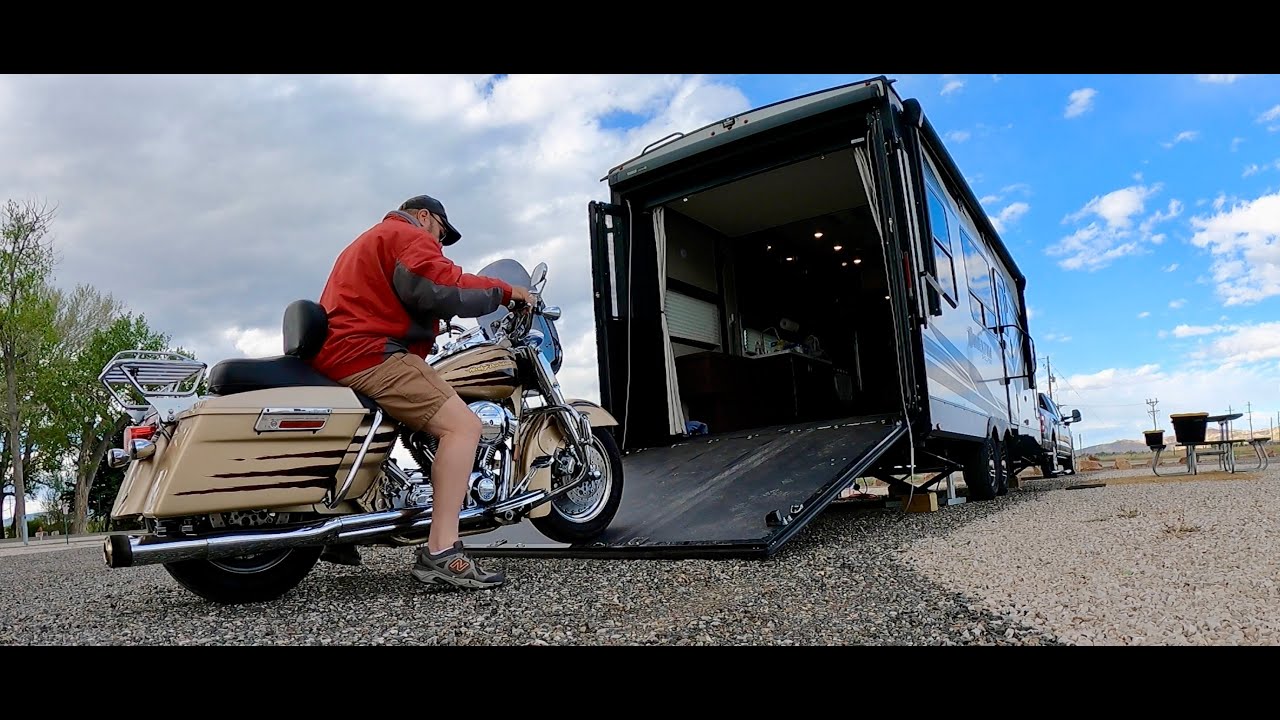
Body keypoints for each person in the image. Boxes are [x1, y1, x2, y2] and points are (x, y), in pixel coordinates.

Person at [307, 194, 532, 589]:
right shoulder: (405, 234)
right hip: (369, 353)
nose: (440, 244)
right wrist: (506, 292)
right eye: (441, 234)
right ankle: (442, 551)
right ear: (424, 217)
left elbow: (399, 297)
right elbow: (442, 284)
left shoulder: (367, 241)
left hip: (340, 352)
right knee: (463, 428)